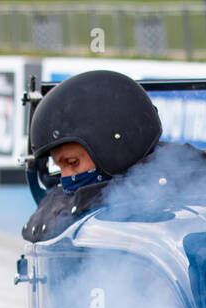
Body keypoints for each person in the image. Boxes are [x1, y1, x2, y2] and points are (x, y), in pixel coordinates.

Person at [22, 70, 163, 242]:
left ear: (115, 149)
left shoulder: (185, 181)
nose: (65, 178)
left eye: (73, 162)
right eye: (60, 167)